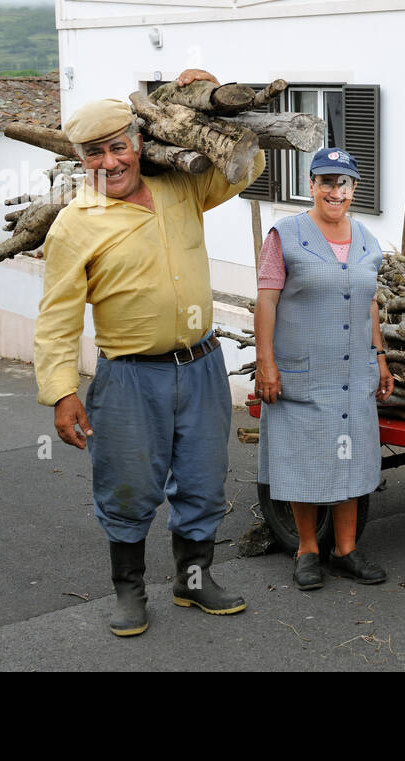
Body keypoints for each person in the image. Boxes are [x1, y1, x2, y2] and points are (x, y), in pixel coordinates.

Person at [34, 68, 265, 636]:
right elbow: (58, 318)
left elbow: (247, 165)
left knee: (203, 479)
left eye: (117, 147)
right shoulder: (74, 224)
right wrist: (62, 392)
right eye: (94, 153)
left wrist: (204, 97)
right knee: (128, 483)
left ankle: (193, 582)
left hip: (203, 366)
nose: (109, 162)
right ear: (80, 159)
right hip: (130, 378)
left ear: (138, 144)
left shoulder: (180, 187)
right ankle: (130, 591)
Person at [254, 147, 393, 591]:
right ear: (311, 185)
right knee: (305, 458)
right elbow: (266, 299)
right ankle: (308, 549)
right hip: (303, 372)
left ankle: (347, 550)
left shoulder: (368, 240)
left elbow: (370, 301)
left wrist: (381, 357)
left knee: (350, 460)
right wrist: (265, 362)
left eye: (344, 183)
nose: (336, 191)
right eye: (327, 182)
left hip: (354, 373)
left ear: (355, 189)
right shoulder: (285, 233)